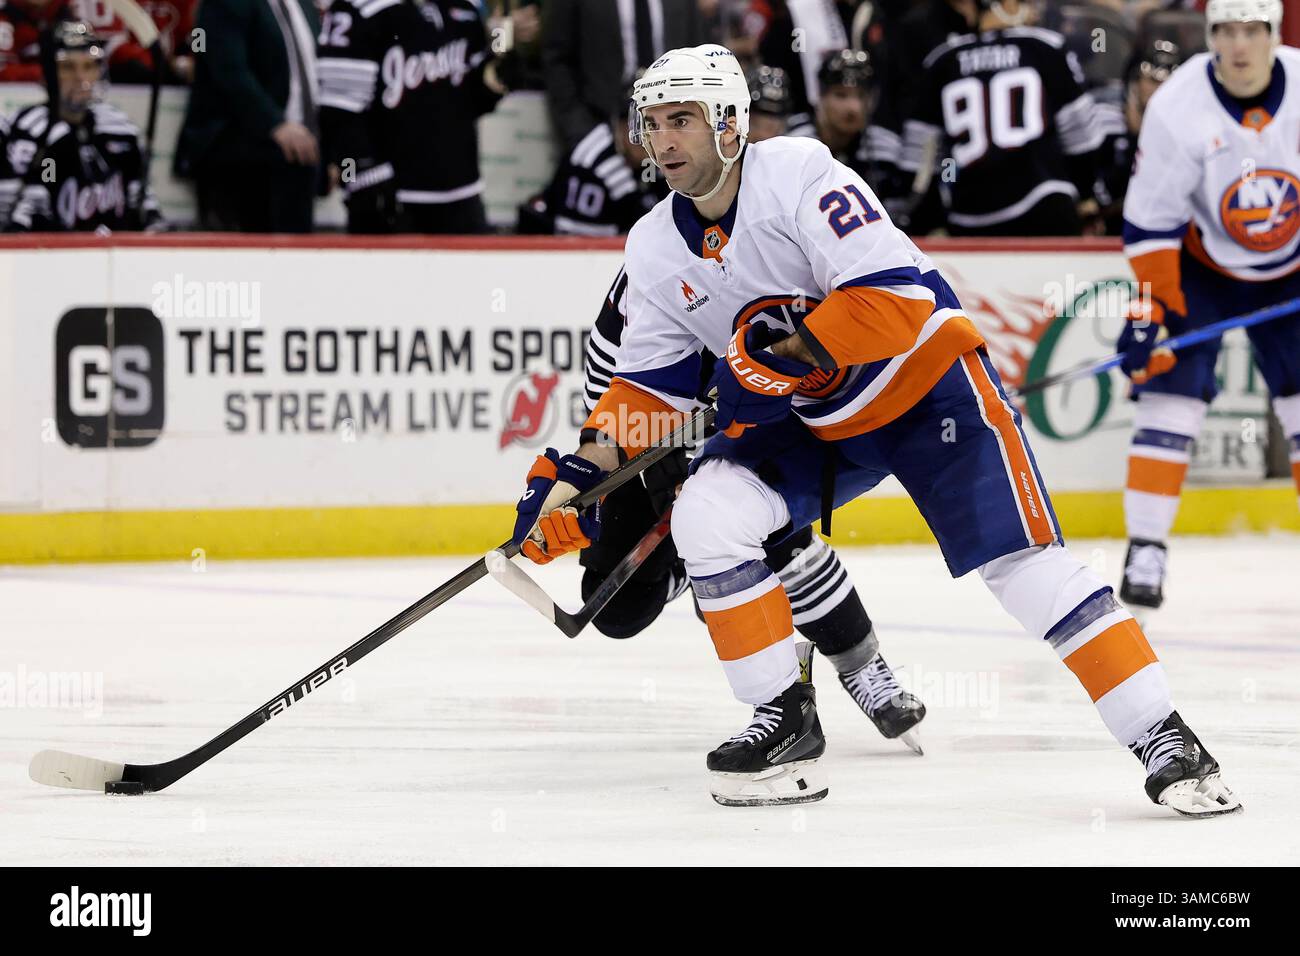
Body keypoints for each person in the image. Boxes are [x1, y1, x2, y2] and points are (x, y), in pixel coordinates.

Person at [508, 43, 1240, 817]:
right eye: (652, 123)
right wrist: (578, 474)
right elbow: (643, 392)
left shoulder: (800, 175)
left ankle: (1164, 733)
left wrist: (778, 360)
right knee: (706, 510)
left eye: (682, 120)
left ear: (731, 126)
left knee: (1023, 567)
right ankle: (783, 719)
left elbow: (896, 302)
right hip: (818, 422)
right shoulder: (655, 244)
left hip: (926, 390)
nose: (664, 142)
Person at [574, 264, 928, 761]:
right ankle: (699, 570)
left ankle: (861, 664)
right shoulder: (647, 278)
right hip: (659, 449)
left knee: (749, 520)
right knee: (615, 610)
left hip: (751, 437)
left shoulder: (764, 252)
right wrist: (655, 472)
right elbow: (608, 397)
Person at [1117, 0, 1300, 612]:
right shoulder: (1178, 105)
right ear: (1210, 35)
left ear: (1273, 35)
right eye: (1226, 30)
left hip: (1293, 271)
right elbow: (1150, 224)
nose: (1240, 45)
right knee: (1171, 387)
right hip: (1202, 267)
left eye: (1253, 30)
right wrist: (1155, 310)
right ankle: (1146, 547)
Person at [900, 0, 1104, 236]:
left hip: (968, 219)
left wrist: (931, 217)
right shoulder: (1044, 46)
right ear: (1005, 6)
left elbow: (918, 160)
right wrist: (1088, 196)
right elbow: (1082, 138)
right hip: (1045, 207)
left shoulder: (942, 60)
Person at [317, 0, 504, 234]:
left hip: (463, 196)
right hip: (388, 199)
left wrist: (502, 46)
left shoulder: (464, 9)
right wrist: (356, 181)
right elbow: (336, 116)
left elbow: (475, 98)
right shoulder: (356, 9)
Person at [174, 0, 320, 233]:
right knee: (245, 262)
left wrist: (329, 147)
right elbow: (228, 69)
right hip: (240, 156)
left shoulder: (303, 5)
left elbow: (316, 72)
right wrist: (276, 124)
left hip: (299, 157)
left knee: (296, 260)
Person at [1, 20, 161, 231]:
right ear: (49, 74)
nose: (80, 77)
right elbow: (11, 225)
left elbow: (144, 207)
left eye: (89, 66)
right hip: (45, 257)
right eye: (68, 67)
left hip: (114, 256)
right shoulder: (22, 132)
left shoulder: (121, 129)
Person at [516, 77, 667, 236]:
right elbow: (579, 248)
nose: (649, 140)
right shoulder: (589, 168)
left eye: (656, 126)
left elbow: (655, 204)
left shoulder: (651, 159)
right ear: (622, 126)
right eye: (642, 127)